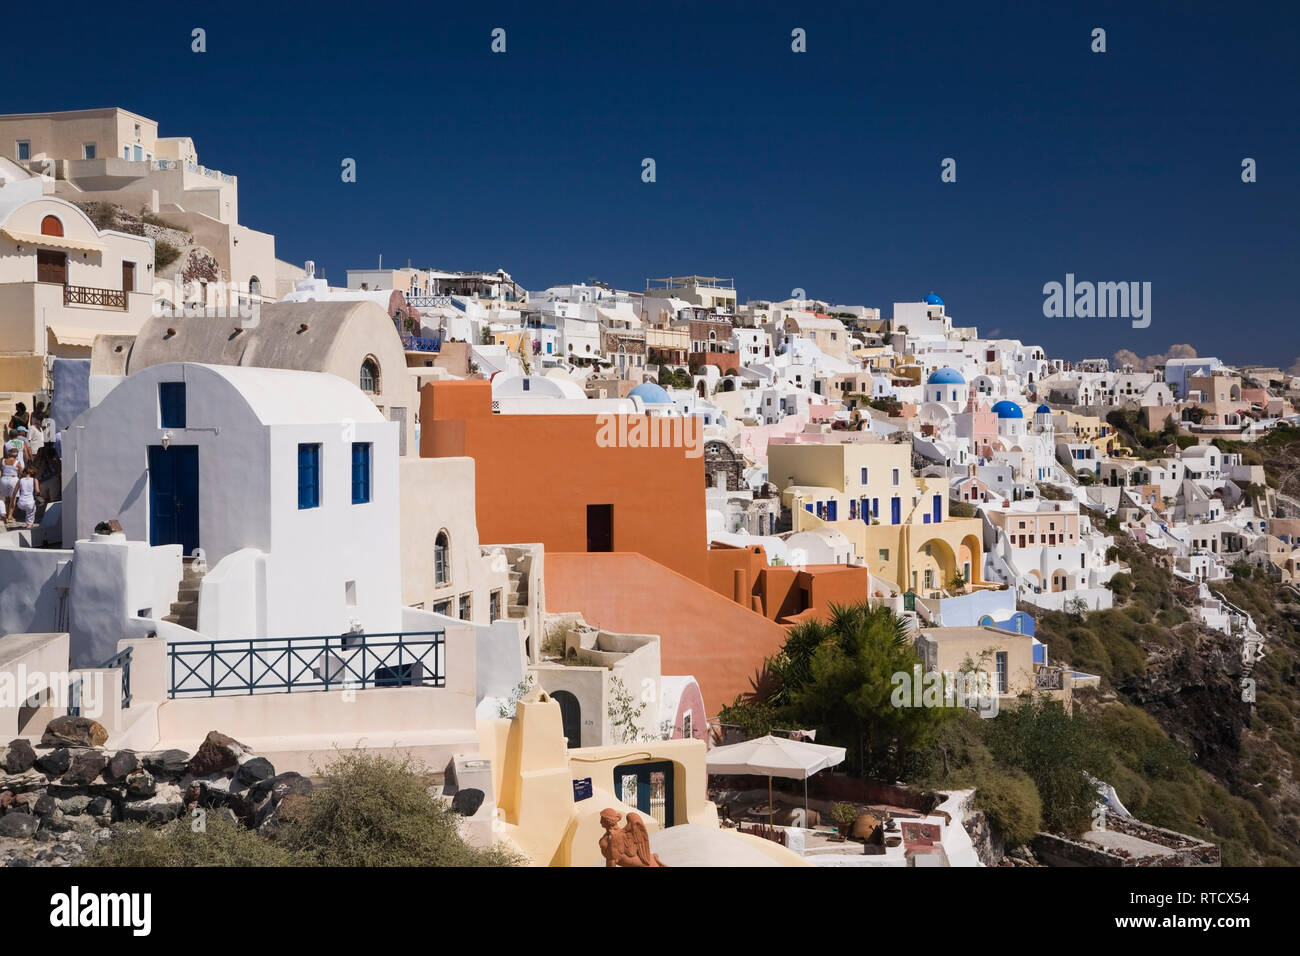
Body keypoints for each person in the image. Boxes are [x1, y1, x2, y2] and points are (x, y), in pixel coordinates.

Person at [0, 443, 19, 520]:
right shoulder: (17, 462)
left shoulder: (2, 461)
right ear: (16, 455)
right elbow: (20, 472)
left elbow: (1, 469)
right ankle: (10, 516)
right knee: (13, 499)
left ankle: (5, 513)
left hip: (3, 479)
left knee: (6, 499)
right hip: (13, 479)